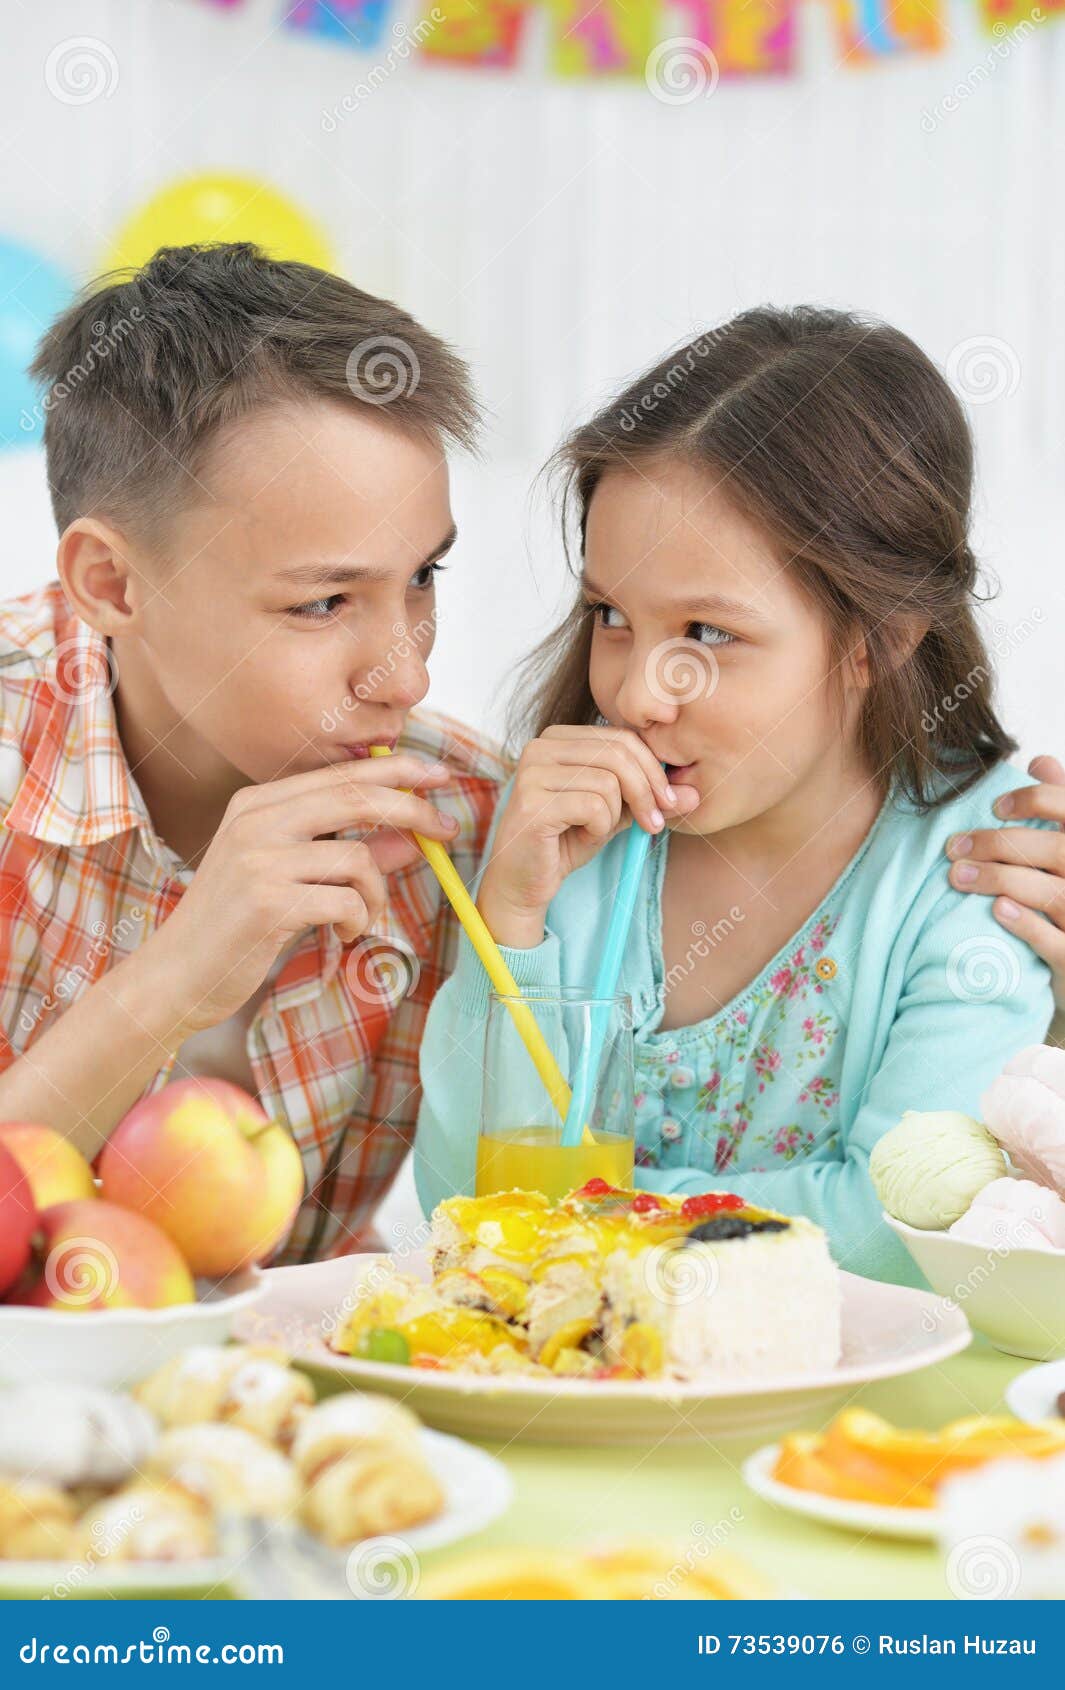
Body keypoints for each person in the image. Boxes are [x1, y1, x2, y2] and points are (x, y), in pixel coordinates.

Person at [415, 305, 1055, 1282]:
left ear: (879, 637)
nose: (633, 693)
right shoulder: (573, 830)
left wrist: (575, 1221)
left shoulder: (980, 866)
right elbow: (462, 1206)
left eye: (710, 635)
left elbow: (902, 1235)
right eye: (612, 616)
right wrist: (510, 922)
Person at [0, 242, 508, 1263]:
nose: (403, 677)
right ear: (110, 584)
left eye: (422, 578)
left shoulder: (463, 820)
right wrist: (180, 975)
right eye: (324, 602)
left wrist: (928, 814)